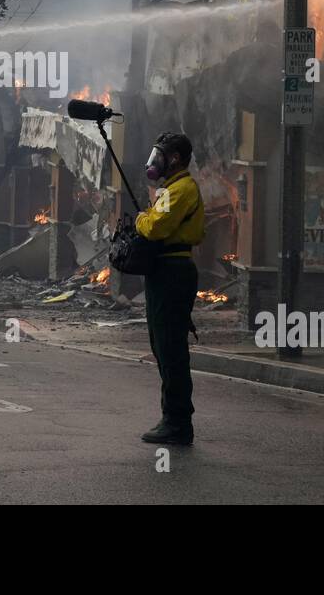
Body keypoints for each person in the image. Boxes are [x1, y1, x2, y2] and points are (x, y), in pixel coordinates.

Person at [135, 131, 206, 446]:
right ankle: (172, 418)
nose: (156, 161)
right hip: (163, 271)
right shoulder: (169, 189)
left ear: (174, 158)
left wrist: (140, 219)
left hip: (173, 271)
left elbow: (155, 226)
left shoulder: (181, 189)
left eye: (161, 154)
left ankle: (177, 422)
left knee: (171, 348)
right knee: (162, 346)